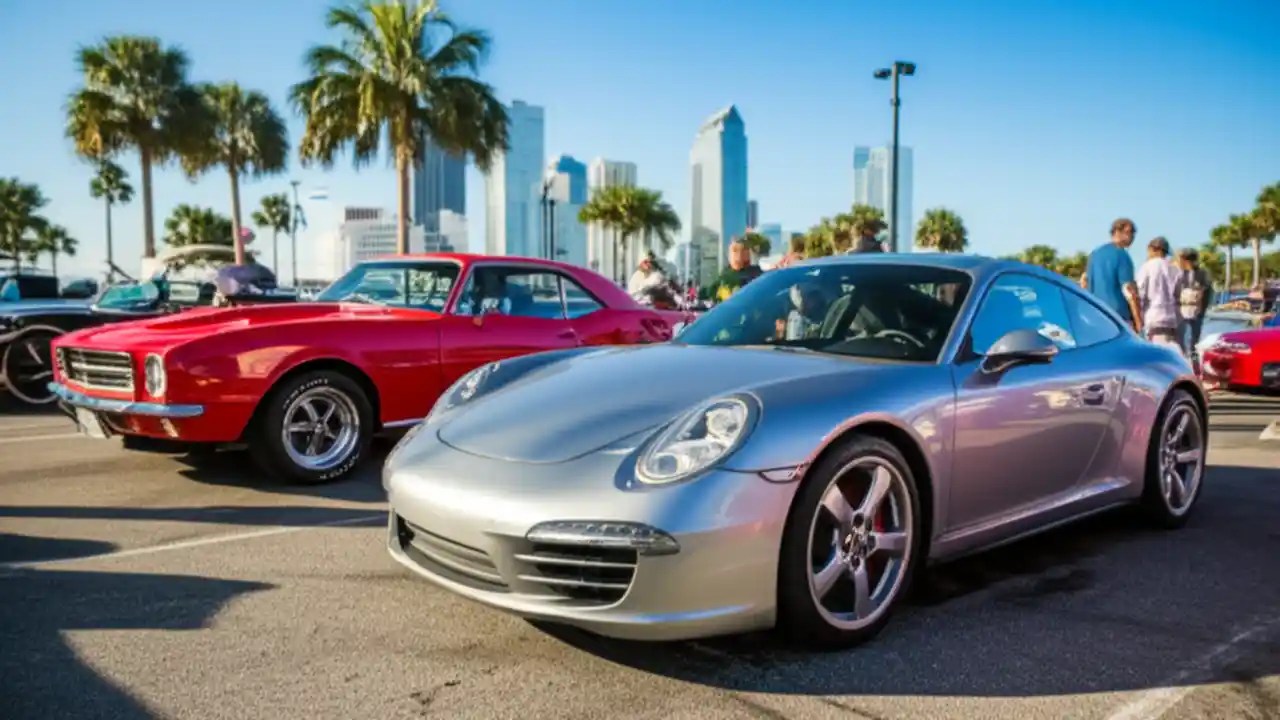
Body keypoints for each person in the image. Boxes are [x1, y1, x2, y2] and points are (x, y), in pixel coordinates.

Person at [1085, 218, 1143, 333]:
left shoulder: (1095, 254)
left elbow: (1087, 284)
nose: (1132, 236)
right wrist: (1138, 321)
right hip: (1118, 315)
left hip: (1096, 313)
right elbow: (1129, 291)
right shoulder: (1122, 255)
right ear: (1117, 232)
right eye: (1129, 232)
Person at [1135, 236, 1184, 349]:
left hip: (1154, 319)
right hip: (1172, 321)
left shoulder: (1146, 267)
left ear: (1153, 249)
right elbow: (1178, 296)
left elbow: (1140, 294)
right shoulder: (1175, 269)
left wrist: (1137, 318)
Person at [1175, 248, 1213, 355]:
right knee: (1181, 339)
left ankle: (1193, 360)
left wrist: (1202, 309)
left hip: (1196, 312)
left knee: (1194, 340)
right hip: (1181, 312)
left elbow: (1207, 291)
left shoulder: (1202, 274)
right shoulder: (1178, 274)